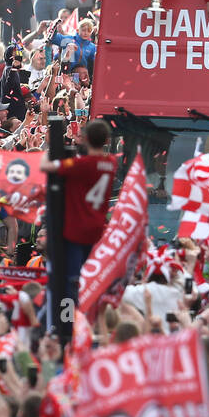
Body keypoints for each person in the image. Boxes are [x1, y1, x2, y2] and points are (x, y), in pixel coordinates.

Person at [38, 120, 118, 319]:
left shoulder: (81, 165)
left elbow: (46, 166)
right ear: (107, 140)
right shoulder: (111, 163)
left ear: (86, 139)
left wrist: (50, 149)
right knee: (89, 276)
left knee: (71, 279)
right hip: (96, 229)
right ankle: (89, 314)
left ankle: (69, 319)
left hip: (74, 230)